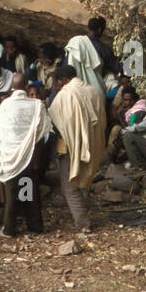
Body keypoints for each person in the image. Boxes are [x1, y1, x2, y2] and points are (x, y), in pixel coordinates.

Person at [0, 74, 52, 237]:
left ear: (11, 88)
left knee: (11, 194)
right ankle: (34, 224)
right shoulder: (37, 105)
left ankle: (9, 228)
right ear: (27, 87)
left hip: (9, 157)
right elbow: (43, 131)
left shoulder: (4, 107)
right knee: (28, 189)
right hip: (28, 157)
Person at [47, 65, 106, 232]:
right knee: (82, 177)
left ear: (63, 80)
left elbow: (56, 122)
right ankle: (83, 212)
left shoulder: (64, 95)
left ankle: (83, 223)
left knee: (69, 187)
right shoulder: (94, 90)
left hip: (68, 146)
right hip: (92, 142)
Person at [64, 29, 105, 95]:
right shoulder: (101, 47)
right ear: (100, 29)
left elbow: (67, 65)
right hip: (96, 89)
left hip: (75, 90)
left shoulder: (74, 44)